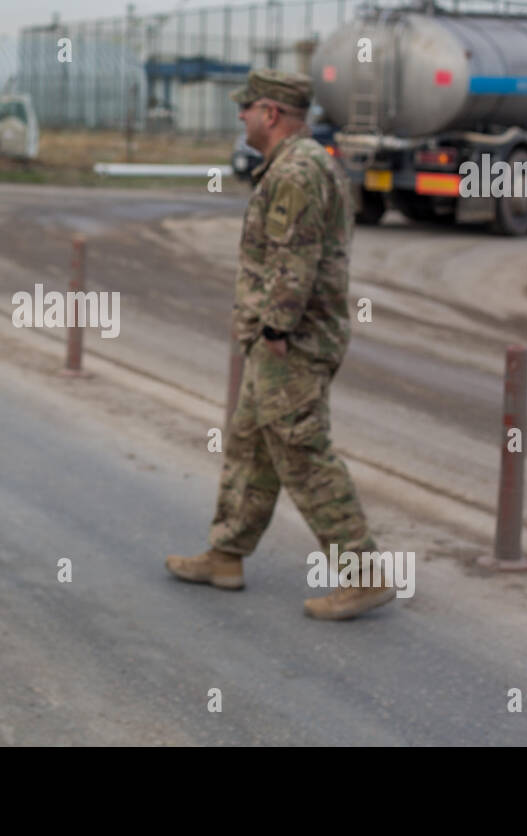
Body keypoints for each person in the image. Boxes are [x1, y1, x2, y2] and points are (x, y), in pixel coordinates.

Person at [165, 69, 395, 621]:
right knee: (250, 445)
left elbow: (296, 261)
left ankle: (363, 574)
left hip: (292, 342)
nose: (240, 118)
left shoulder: (297, 171)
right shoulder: (301, 165)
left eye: (245, 109)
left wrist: (273, 332)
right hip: (282, 337)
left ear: (269, 113)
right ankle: (226, 555)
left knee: (301, 449)